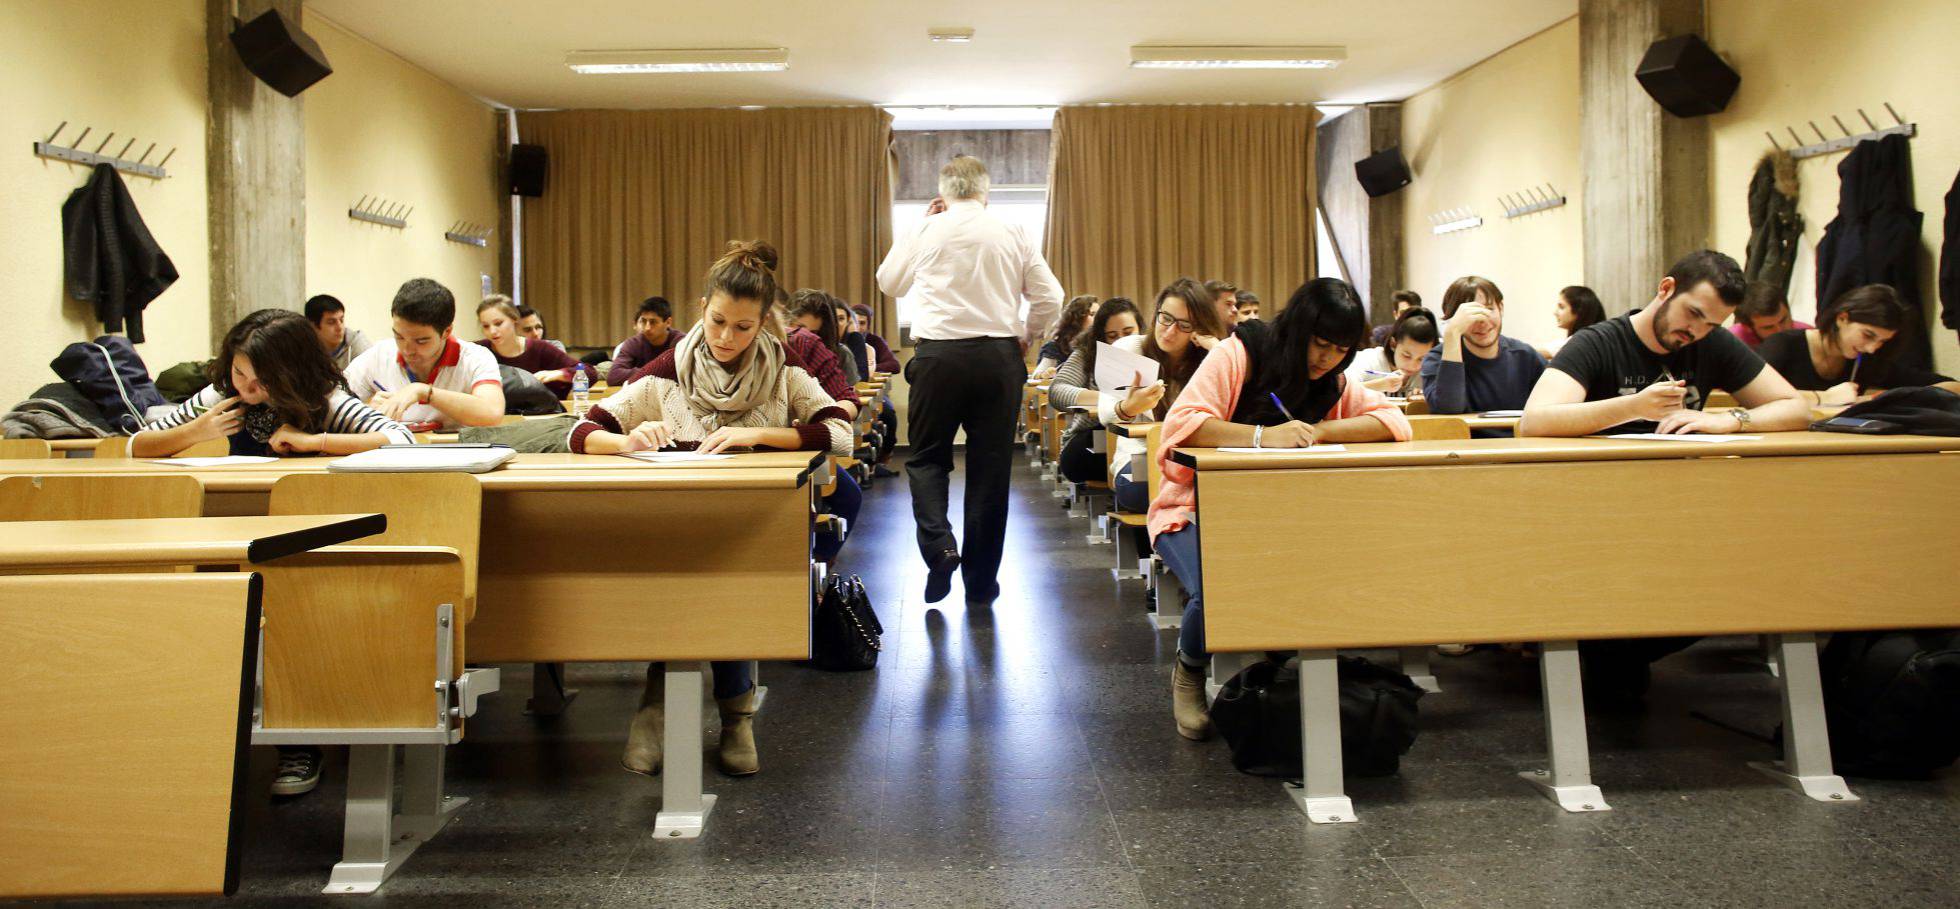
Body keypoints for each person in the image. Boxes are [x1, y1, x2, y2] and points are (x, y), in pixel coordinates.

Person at [569, 241, 853, 778]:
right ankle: (655, 708)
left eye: (743, 327)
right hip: (676, 525)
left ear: (764, 323)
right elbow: (582, 430)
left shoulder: (785, 369)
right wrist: (627, 443)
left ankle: (736, 717)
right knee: (678, 588)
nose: (726, 338)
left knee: (733, 590)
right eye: (718, 321)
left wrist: (758, 435)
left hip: (752, 524)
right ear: (701, 307)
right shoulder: (665, 370)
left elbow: (839, 432)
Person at [131, 308, 415, 798]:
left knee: (294, 620)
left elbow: (400, 439)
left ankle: (298, 739)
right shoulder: (221, 396)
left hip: (307, 541)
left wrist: (314, 442)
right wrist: (194, 432)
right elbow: (136, 446)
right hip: (234, 537)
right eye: (240, 372)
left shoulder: (324, 400)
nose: (246, 387)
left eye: (260, 380)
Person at [1148, 279, 1410, 739]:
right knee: (1218, 582)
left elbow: (1393, 422)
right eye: (1320, 343)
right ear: (1298, 330)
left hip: (1276, 521)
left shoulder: (1334, 381)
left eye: (1340, 349)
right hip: (1191, 510)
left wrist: (1319, 431)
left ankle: (1282, 669)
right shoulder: (1240, 353)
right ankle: (1189, 671)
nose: (1326, 358)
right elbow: (1181, 427)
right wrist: (1261, 436)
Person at [877, 155, 1063, 607]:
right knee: (991, 469)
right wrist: (1027, 333)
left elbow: (890, 284)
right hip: (997, 358)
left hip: (938, 357)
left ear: (943, 192)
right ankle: (980, 585)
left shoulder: (925, 229)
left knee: (925, 460)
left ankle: (940, 546)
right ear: (985, 192)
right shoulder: (1011, 230)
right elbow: (1051, 296)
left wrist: (921, 225)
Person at [1520, 249, 1812, 438]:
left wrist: (1732, 419)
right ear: (1666, 288)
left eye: (1711, 324)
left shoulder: (1714, 343)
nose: (1695, 331)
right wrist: (1633, 407)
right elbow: (1535, 421)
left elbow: (1795, 408)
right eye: (1693, 313)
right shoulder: (1597, 342)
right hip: (1602, 481)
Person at [1052, 288, 1222, 514]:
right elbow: (1100, 410)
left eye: (1184, 325)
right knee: (1172, 492)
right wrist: (1126, 408)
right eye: (1166, 318)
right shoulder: (1125, 349)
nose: (1170, 331)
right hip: (1140, 454)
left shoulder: (1210, 356)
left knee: (1220, 491)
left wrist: (1217, 352)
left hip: (1193, 457)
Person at [344, 278, 505, 431]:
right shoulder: (378, 355)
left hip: (457, 456)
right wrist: (364, 410)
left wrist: (424, 392)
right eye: (399, 336)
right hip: (393, 454)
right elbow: (329, 407)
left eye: (421, 341)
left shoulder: (475, 358)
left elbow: (492, 413)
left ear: (446, 332)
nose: (407, 350)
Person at [1755, 284, 1960, 404]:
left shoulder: (1870, 359)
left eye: (1882, 341)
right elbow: (1751, 394)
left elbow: (1952, 386)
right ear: (1842, 318)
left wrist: (1898, 397)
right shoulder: (1783, 345)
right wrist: (1822, 397)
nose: (1872, 348)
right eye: (1868, 335)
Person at [1417, 277, 1546, 431]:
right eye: (1470, 314)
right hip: (1463, 451)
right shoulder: (1436, 359)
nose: (1482, 321)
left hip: (1521, 449)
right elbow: (1449, 408)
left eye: (1489, 309)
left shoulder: (1525, 356)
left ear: (1501, 308)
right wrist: (1452, 334)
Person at [475, 297, 596, 400]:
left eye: (498, 323)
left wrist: (559, 374)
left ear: (514, 320)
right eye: (486, 326)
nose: (492, 331)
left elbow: (590, 372)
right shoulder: (478, 350)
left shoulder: (541, 349)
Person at [849, 302, 902, 476]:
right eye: (855, 322)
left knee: (888, 412)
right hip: (849, 392)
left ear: (868, 324)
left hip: (871, 390)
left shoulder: (873, 342)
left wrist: (869, 368)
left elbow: (894, 365)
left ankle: (883, 458)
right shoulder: (841, 341)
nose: (859, 326)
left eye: (862, 323)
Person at [1346, 307, 1438, 396]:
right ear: (1393, 344)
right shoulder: (1368, 360)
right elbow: (1341, 393)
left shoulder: (1429, 370)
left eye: (1421, 359)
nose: (1413, 365)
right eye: (1406, 356)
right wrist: (1379, 385)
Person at [606, 296, 685, 385]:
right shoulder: (633, 343)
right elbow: (614, 376)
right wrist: (659, 371)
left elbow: (686, 375)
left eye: (653, 322)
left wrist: (642, 373)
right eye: (644, 321)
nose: (647, 328)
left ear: (668, 322)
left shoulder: (681, 343)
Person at [789, 290, 862, 386]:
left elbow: (848, 395)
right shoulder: (777, 350)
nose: (806, 338)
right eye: (800, 329)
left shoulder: (841, 354)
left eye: (814, 333)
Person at [1729, 281, 1811, 349]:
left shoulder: (1808, 336)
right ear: (1747, 328)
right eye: (1768, 327)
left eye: (1783, 320)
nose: (1780, 330)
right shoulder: (1733, 341)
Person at [1537, 286, 1609, 360]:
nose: (1555, 312)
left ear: (1579, 311)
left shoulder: (1579, 343)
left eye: (1561, 307)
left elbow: (1531, 354)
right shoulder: (1597, 340)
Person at [305, 294, 372, 371]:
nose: (340, 328)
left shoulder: (358, 346)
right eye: (331, 322)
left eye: (341, 320)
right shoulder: (303, 347)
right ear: (313, 326)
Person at [1035, 295, 1098, 377]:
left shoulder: (1098, 344)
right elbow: (1037, 377)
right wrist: (1045, 375)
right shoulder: (1054, 347)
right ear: (1077, 318)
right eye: (1092, 314)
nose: (1098, 319)